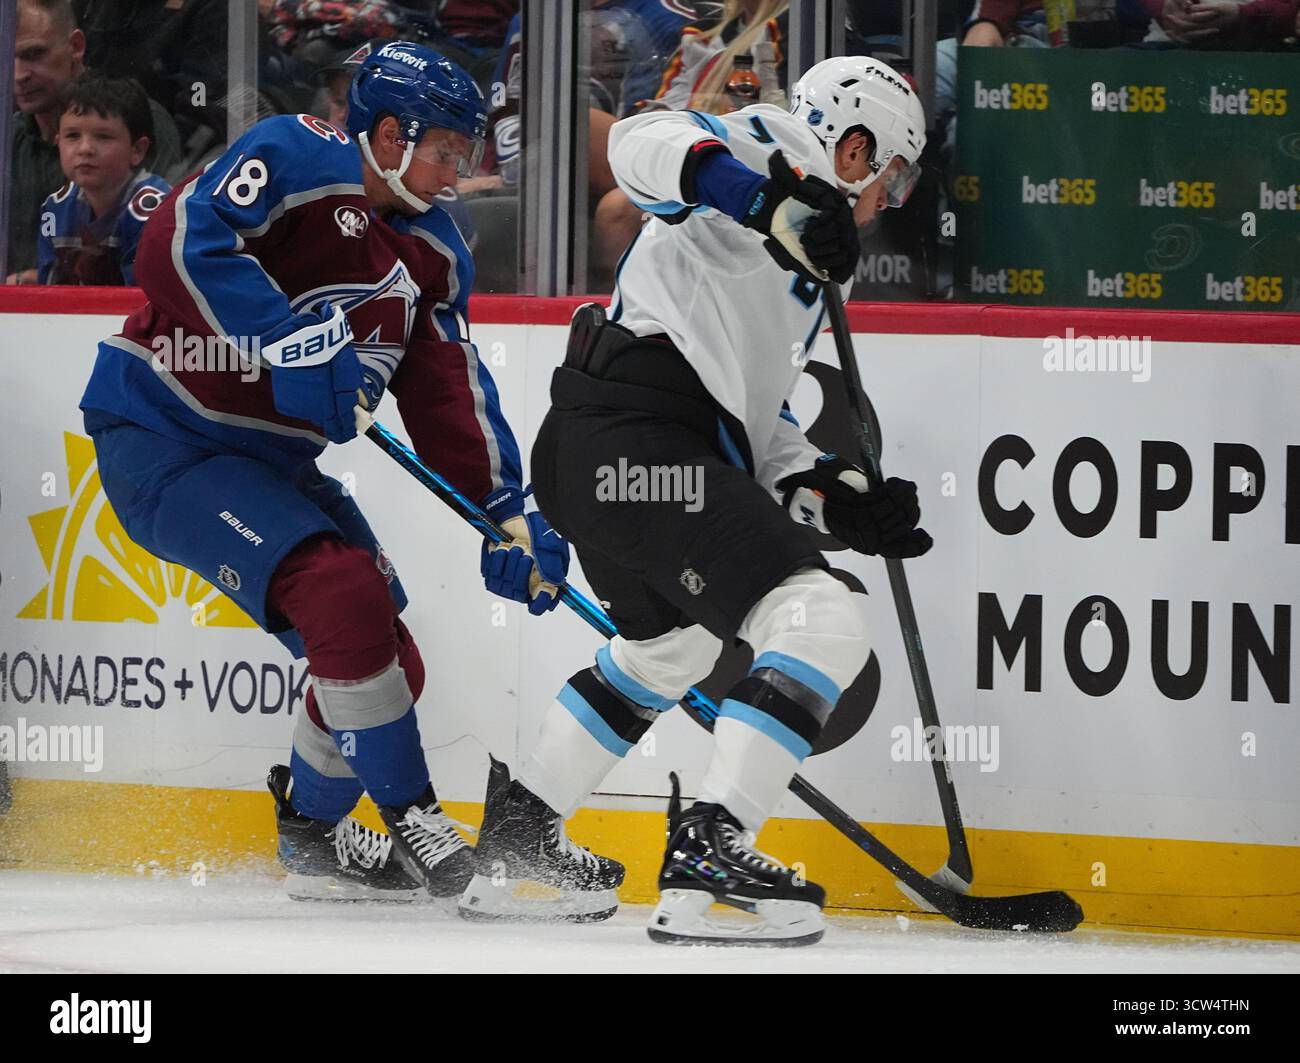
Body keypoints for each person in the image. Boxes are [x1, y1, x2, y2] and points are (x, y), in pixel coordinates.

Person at [79, 42, 619, 916]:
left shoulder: (437, 248)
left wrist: (505, 511)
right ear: (393, 134)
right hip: (163, 439)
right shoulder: (295, 154)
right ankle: (417, 820)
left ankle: (316, 833)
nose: (459, 171)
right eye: (447, 148)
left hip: (273, 463)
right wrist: (281, 338)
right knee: (341, 594)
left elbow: (448, 388)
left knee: (387, 658)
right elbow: (176, 242)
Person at [520, 56, 932, 946]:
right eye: (889, 182)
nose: (884, 204)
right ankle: (712, 855)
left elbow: (760, 420)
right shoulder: (774, 147)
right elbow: (641, 141)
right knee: (820, 621)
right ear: (856, 151)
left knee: (672, 648)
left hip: (604, 451)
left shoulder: (822, 265)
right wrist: (768, 201)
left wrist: (836, 498)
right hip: (638, 440)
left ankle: (518, 842)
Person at [7, 0, 181, 281]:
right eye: (5, 56)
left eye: (34, 54)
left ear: (75, 46)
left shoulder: (141, 120)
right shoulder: (7, 138)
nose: (18, 75)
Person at [37, 73, 171, 285]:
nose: (85, 149)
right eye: (72, 136)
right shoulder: (54, 208)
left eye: (103, 137)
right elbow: (48, 293)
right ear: (57, 142)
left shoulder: (155, 212)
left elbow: (146, 303)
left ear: (137, 149)